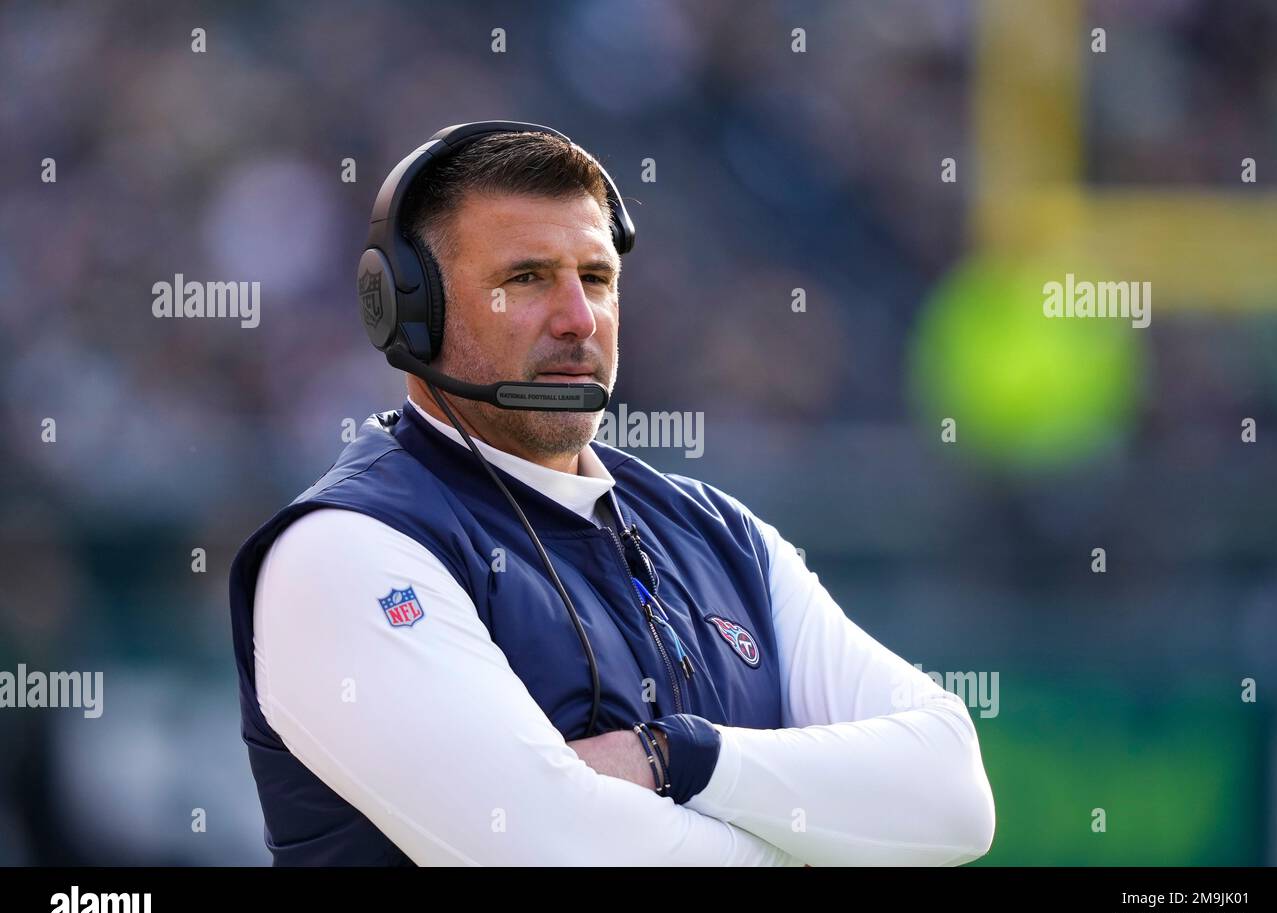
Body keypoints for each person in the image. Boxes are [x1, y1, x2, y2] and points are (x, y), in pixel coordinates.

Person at [228, 122, 996, 866]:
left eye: (596, 279)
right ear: (405, 312)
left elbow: (954, 796)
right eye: (524, 280)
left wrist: (678, 757)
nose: (577, 318)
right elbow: (551, 850)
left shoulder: (719, 530)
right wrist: (818, 842)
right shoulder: (342, 550)